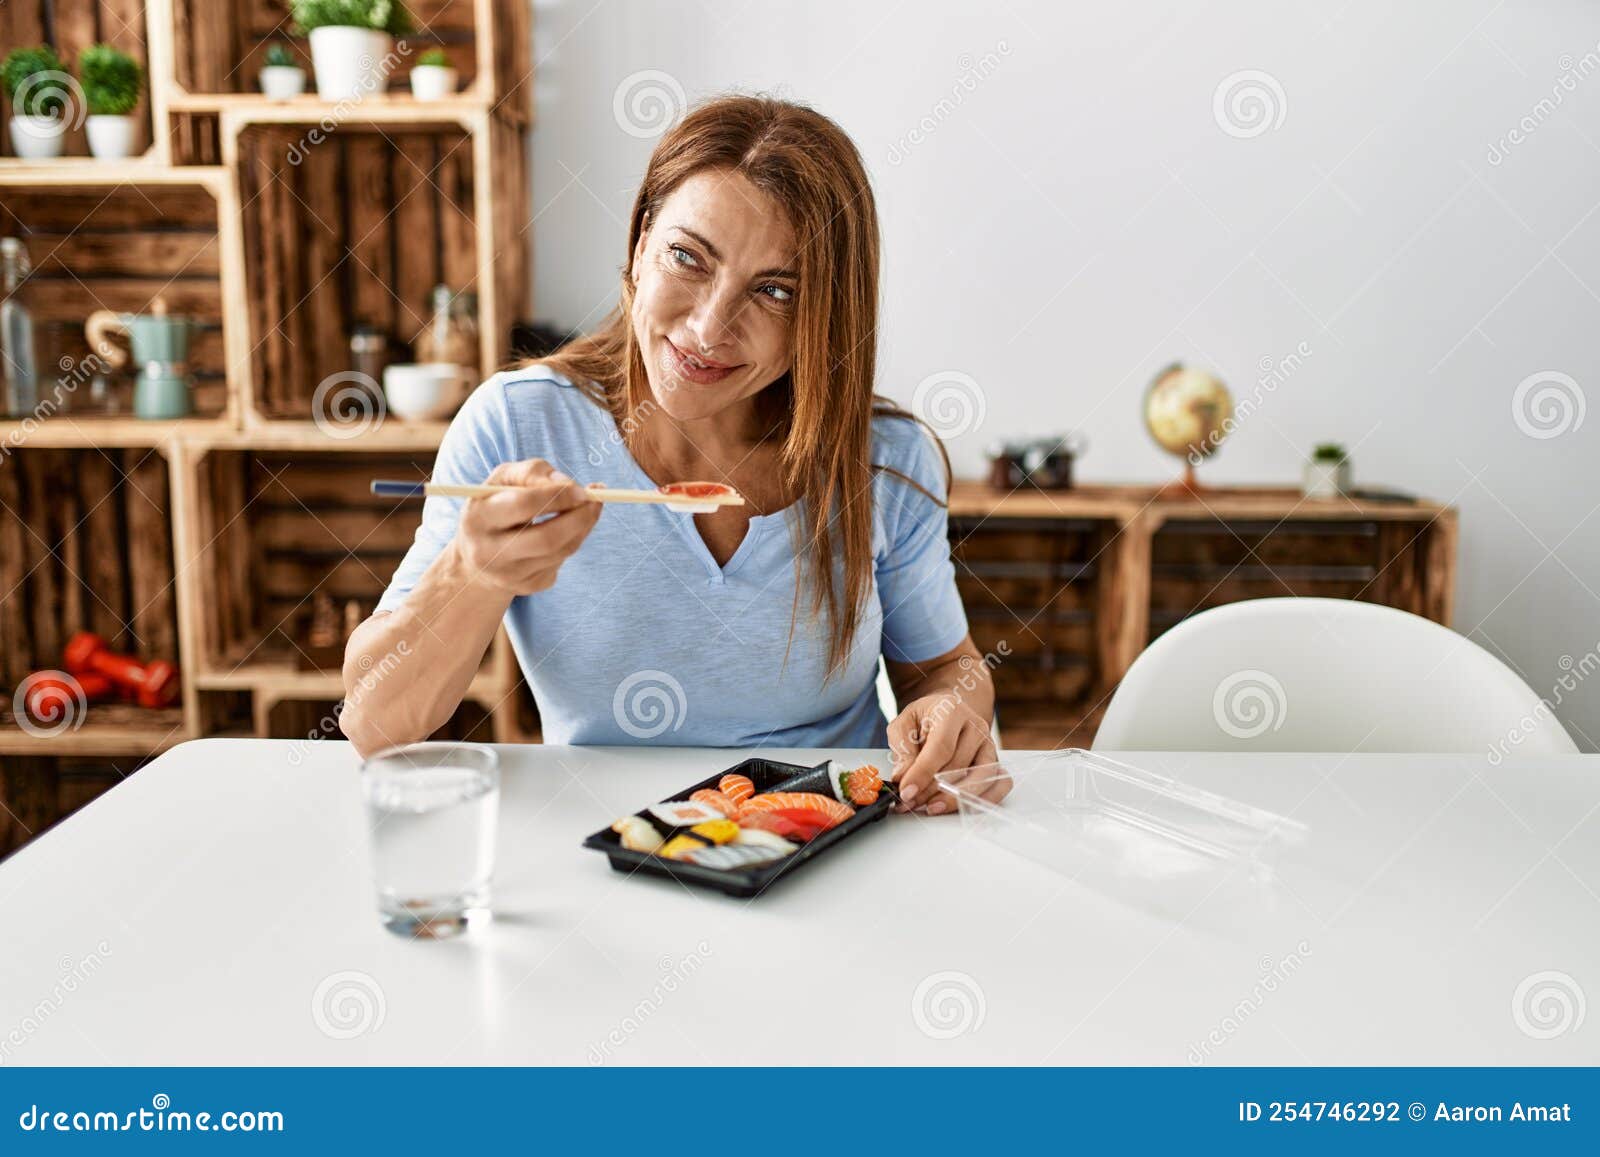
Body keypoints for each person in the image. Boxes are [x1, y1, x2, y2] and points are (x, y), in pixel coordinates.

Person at [341, 94, 1007, 815]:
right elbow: (379, 726)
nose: (709, 326)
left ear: (823, 317)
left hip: (831, 834)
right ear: (639, 246)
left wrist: (952, 713)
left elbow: (943, 667)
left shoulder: (885, 458)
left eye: (776, 291)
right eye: (688, 258)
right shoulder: (517, 424)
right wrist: (470, 573)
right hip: (612, 842)